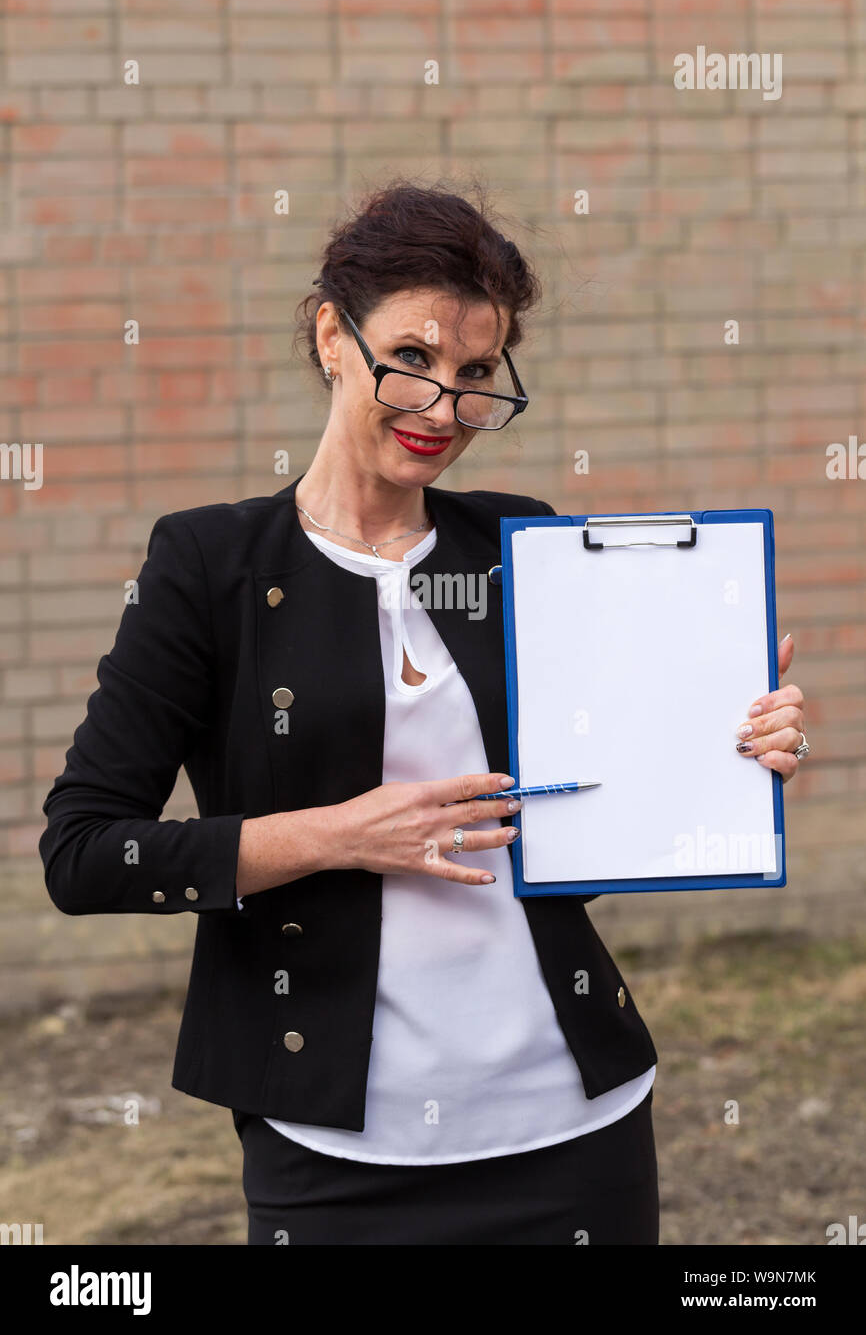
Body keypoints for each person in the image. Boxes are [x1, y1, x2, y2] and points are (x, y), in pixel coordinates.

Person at [39, 180, 808, 1246]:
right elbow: (83, 852)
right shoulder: (208, 566)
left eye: (477, 375)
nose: (442, 410)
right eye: (412, 358)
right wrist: (343, 835)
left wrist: (724, 748)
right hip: (335, 1151)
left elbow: (590, 815)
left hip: (570, 1127)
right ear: (330, 337)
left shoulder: (518, 546)